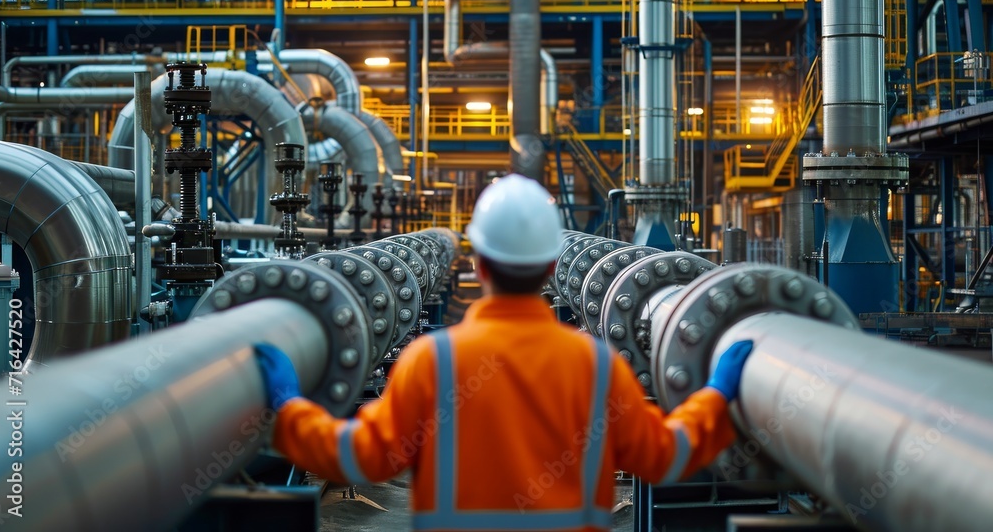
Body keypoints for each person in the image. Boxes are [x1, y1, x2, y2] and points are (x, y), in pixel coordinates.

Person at [254, 174, 752, 531]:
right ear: (554, 266)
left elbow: (361, 458)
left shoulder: (434, 362)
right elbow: (664, 458)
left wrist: (291, 407)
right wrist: (715, 395)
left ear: (477, 265)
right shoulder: (594, 366)